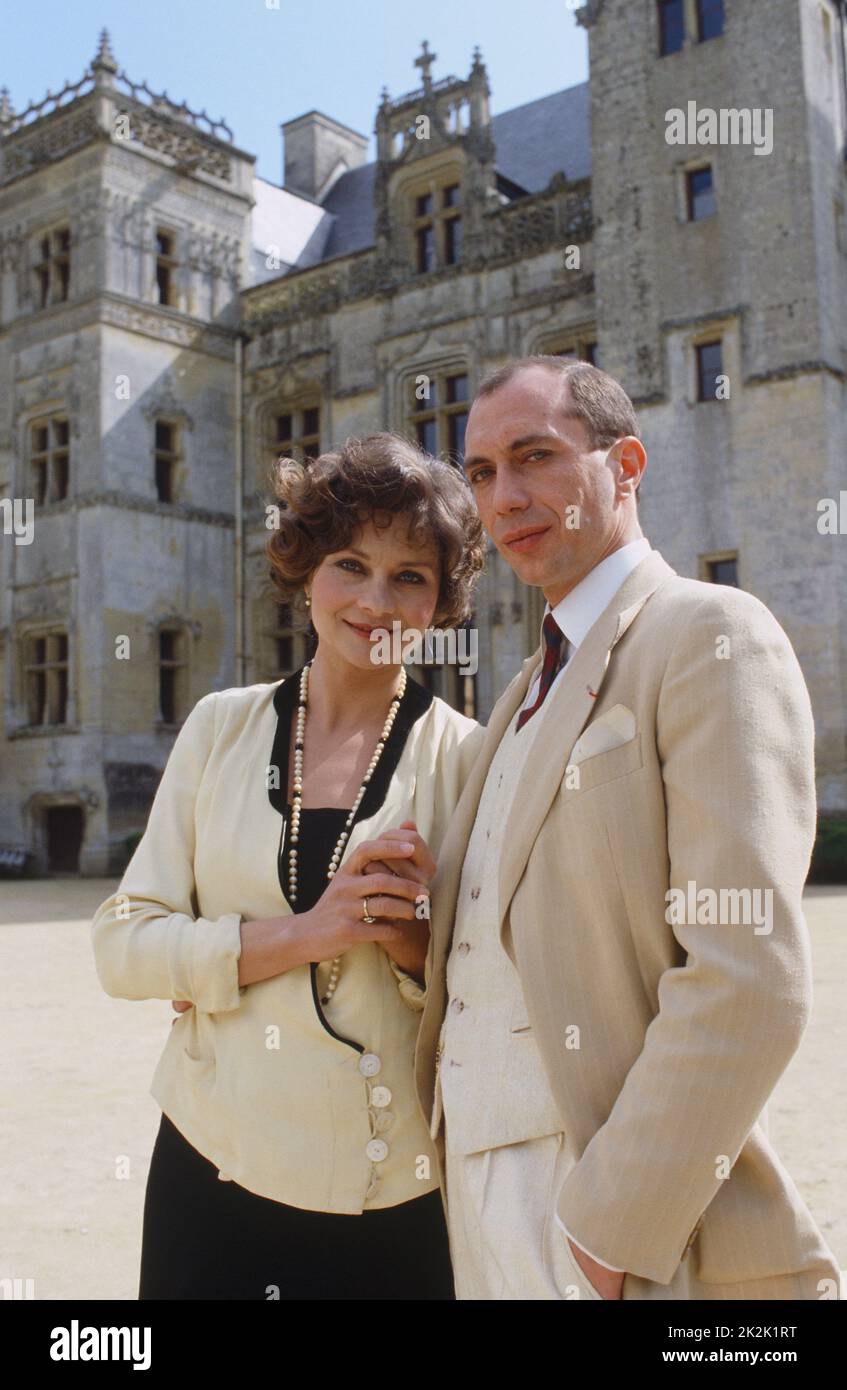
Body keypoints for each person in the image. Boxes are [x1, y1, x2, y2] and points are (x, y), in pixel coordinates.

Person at [413, 356, 841, 1301]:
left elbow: (747, 976)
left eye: (535, 457)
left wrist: (609, 1225)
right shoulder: (522, 690)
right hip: (473, 1193)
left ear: (628, 464)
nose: (504, 496)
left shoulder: (707, 632)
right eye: (480, 473)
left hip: (603, 1205)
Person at [90, 432, 487, 1300]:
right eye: (350, 563)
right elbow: (123, 946)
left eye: (410, 576)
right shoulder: (219, 727)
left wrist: (417, 947)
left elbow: (498, 998)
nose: (375, 601)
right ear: (306, 570)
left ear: (440, 603)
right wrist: (303, 935)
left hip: (390, 1193)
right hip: (211, 1165)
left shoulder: (472, 760)